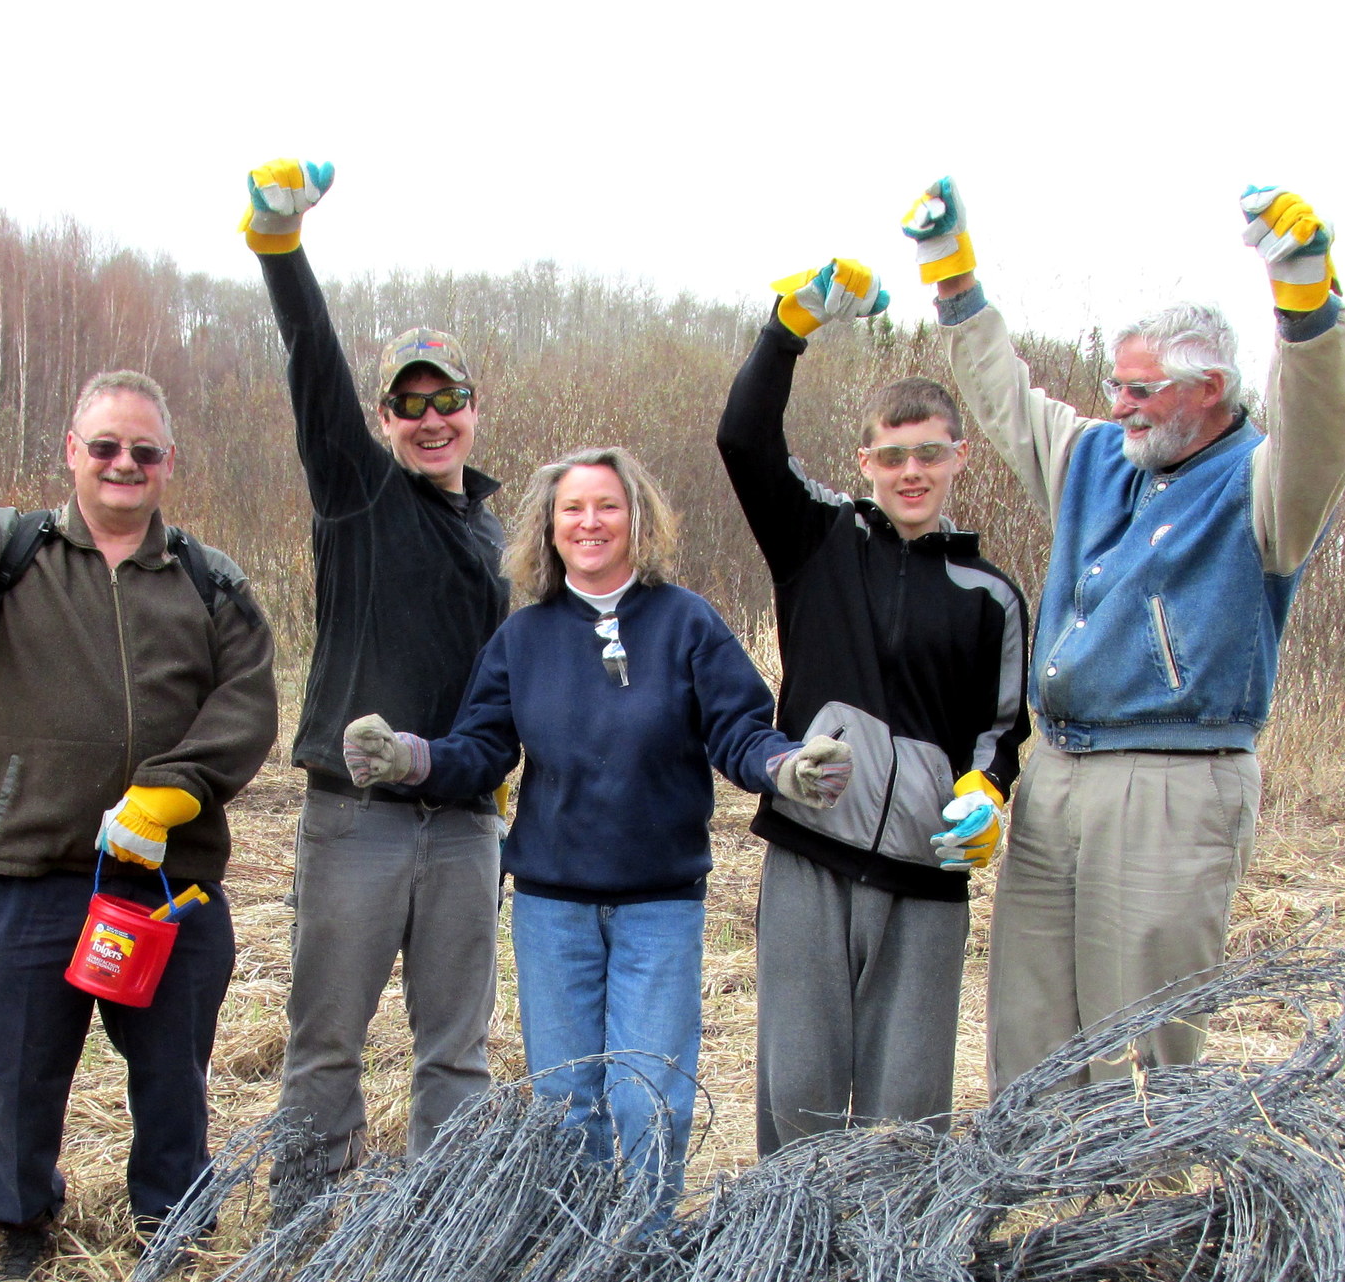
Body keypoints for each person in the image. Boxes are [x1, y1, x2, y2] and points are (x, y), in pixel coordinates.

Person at [0, 310, 277, 1282]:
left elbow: (248, 705)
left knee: (174, 1075)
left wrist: (172, 791)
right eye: (106, 447)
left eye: (144, 451)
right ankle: (16, 1229)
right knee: (23, 1076)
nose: (124, 464)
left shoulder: (211, 583)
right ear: (70, 453)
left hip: (166, 886)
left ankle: (171, 1224)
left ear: (169, 462)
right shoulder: (3, 556)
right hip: (30, 875)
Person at [902, 180, 1345, 1089]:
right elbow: (1002, 398)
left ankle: (1139, 1217)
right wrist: (951, 276)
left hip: (1173, 785)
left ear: (1213, 390)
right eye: (1115, 385)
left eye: (1142, 389)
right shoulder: (1098, 462)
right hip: (1060, 778)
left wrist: (1305, 296)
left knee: (1143, 1040)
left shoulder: (1265, 486)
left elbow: (1327, 422)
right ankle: (1037, 1209)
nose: (1121, 405)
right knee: (1031, 1030)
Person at [342, 449, 848, 1186]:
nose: (590, 521)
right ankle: (575, 1266)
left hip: (660, 907)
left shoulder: (688, 622)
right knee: (565, 1106)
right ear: (549, 527)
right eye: (572, 508)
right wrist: (408, 758)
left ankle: (643, 1255)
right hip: (553, 911)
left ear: (637, 518)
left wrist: (786, 766)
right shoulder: (523, 637)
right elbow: (482, 749)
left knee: (651, 1102)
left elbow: (740, 731)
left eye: (607, 505)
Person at [242, 159, 512, 1195]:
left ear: (473, 409)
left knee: (458, 1054)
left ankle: (440, 1244)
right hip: (356, 820)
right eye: (410, 405)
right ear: (386, 418)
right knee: (326, 1047)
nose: (430, 419)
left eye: (447, 401)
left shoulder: (496, 535)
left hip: (465, 824)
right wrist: (280, 245)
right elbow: (310, 364)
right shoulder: (359, 494)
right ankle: (304, 1235)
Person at [716, 257, 1030, 1149]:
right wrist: (791, 324)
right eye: (891, 456)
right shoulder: (817, 540)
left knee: (906, 1118)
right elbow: (743, 438)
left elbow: (1003, 731)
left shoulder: (993, 595)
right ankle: (788, 1268)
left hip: (927, 881)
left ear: (959, 456)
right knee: (800, 1100)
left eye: (930, 452)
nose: (911, 471)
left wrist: (987, 793)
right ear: (865, 463)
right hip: (810, 853)